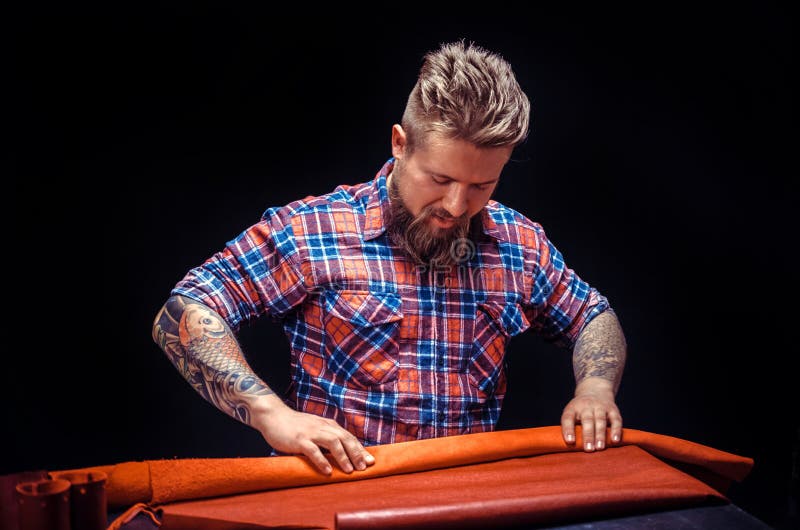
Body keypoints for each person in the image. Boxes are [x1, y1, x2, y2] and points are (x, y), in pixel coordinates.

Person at [152, 39, 627, 476]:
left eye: (482, 186)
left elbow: (592, 314)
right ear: (400, 143)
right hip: (336, 497)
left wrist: (595, 389)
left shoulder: (518, 243)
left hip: (470, 500)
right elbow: (185, 309)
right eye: (439, 180)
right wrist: (271, 415)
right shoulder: (311, 232)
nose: (457, 207)